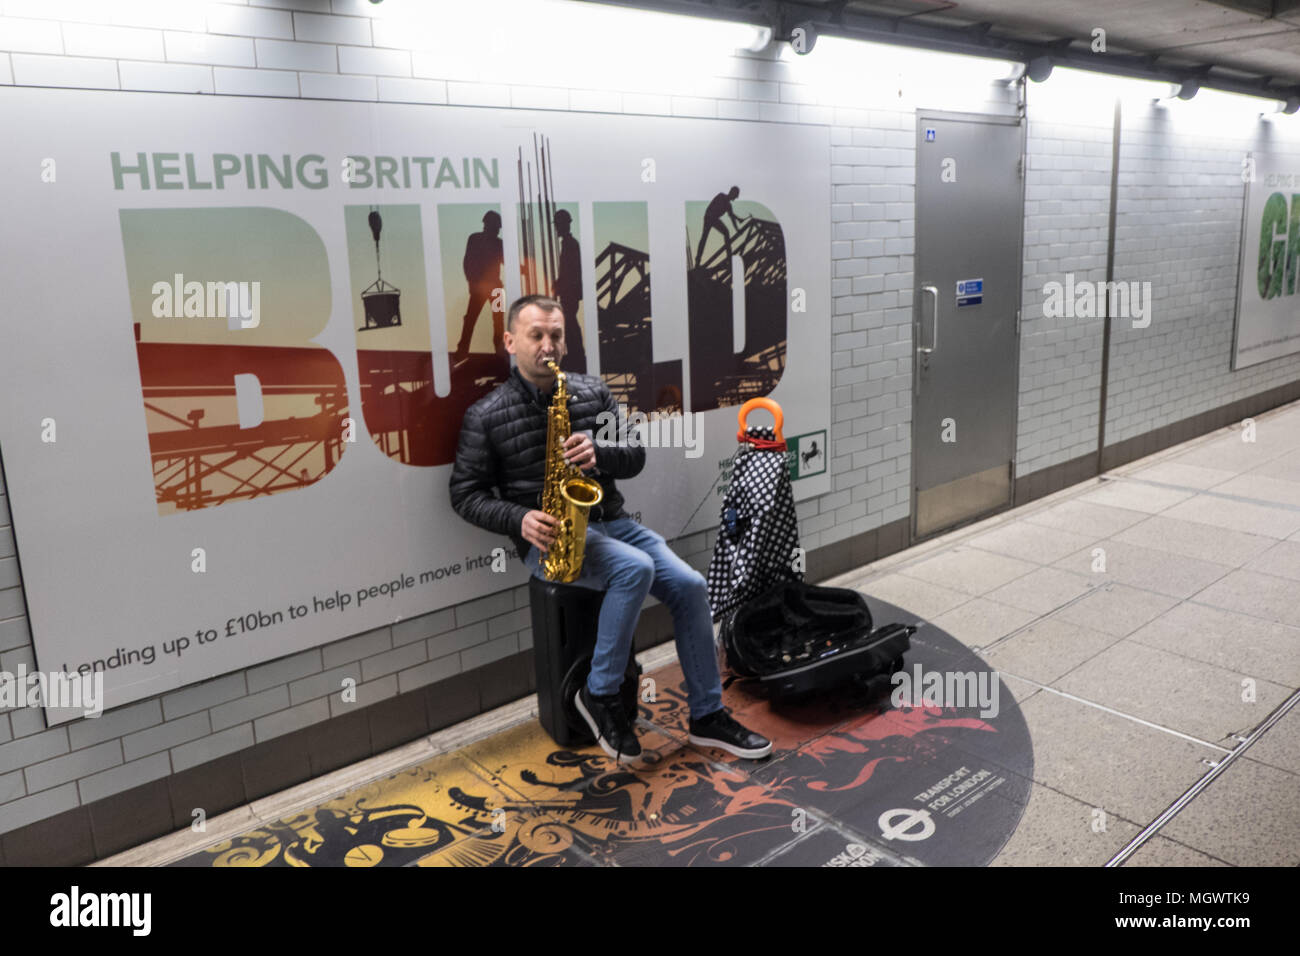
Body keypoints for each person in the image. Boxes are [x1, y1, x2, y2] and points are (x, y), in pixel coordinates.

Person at [449, 294, 772, 764]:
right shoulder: (486, 415)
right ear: (509, 340)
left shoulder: (591, 391)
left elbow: (635, 456)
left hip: (611, 523)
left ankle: (707, 716)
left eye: (556, 335)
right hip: (551, 539)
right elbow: (465, 495)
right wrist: (518, 518)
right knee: (635, 569)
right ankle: (599, 693)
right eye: (536, 335)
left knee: (690, 585)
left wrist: (600, 451)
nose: (548, 346)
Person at [451, 210, 505, 366]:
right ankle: (463, 349)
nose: (497, 230)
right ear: (488, 225)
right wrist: (471, 283)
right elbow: (468, 262)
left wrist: (523, 268)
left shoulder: (497, 243)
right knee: (471, 319)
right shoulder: (475, 239)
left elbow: (505, 261)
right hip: (482, 287)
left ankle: (498, 350)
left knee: (497, 320)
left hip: (494, 288)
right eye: (495, 227)